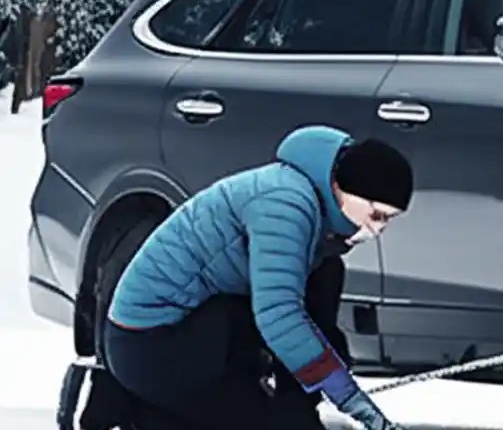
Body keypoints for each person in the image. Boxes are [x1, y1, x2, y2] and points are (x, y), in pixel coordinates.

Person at [97, 125, 412, 430]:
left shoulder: (310, 202)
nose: (379, 229)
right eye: (377, 215)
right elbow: (280, 316)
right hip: (151, 345)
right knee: (257, 419)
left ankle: (289, 408)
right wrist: (353, 402)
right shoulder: (285, 205)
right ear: (342, 189)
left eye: (390, 220)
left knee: (326, 278)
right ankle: (127, 400)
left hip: (205, 326)